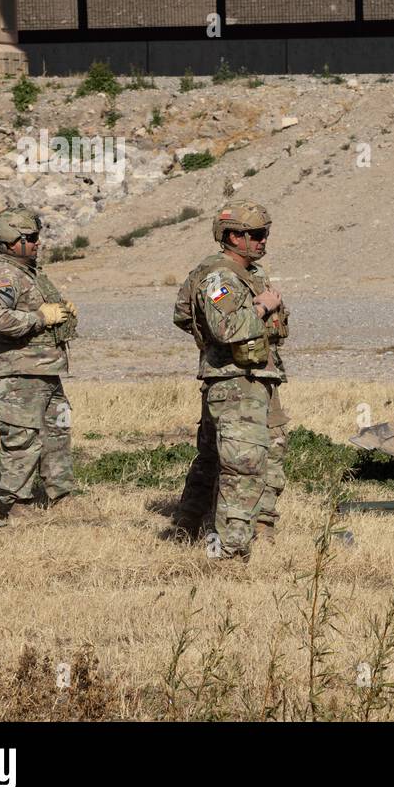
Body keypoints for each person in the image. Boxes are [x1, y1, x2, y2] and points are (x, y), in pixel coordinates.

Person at [171, 201, 289, 560]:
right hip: (235, 382)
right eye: (254, 234)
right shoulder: (219, 277)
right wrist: (263, 307)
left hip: (256, 378)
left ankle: (200, 528)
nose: (261, 240)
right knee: (243, 465)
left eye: (264, 233)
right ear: (231, 236)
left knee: (253, 453)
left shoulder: (250, 273)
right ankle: (230, 551)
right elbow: (225, 327)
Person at [0, 206, 78, 525]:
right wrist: (41, 318)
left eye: (37, 237)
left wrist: (60, 312)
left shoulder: (28, 271)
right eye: (30, 238)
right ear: (10, 241)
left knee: (57, 434)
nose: (38, 243)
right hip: (17, 373)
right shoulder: (2, 273)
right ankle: (16, 505)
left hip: (45, 371)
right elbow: (0, 320)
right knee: (21, 439)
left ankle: (61, 496)